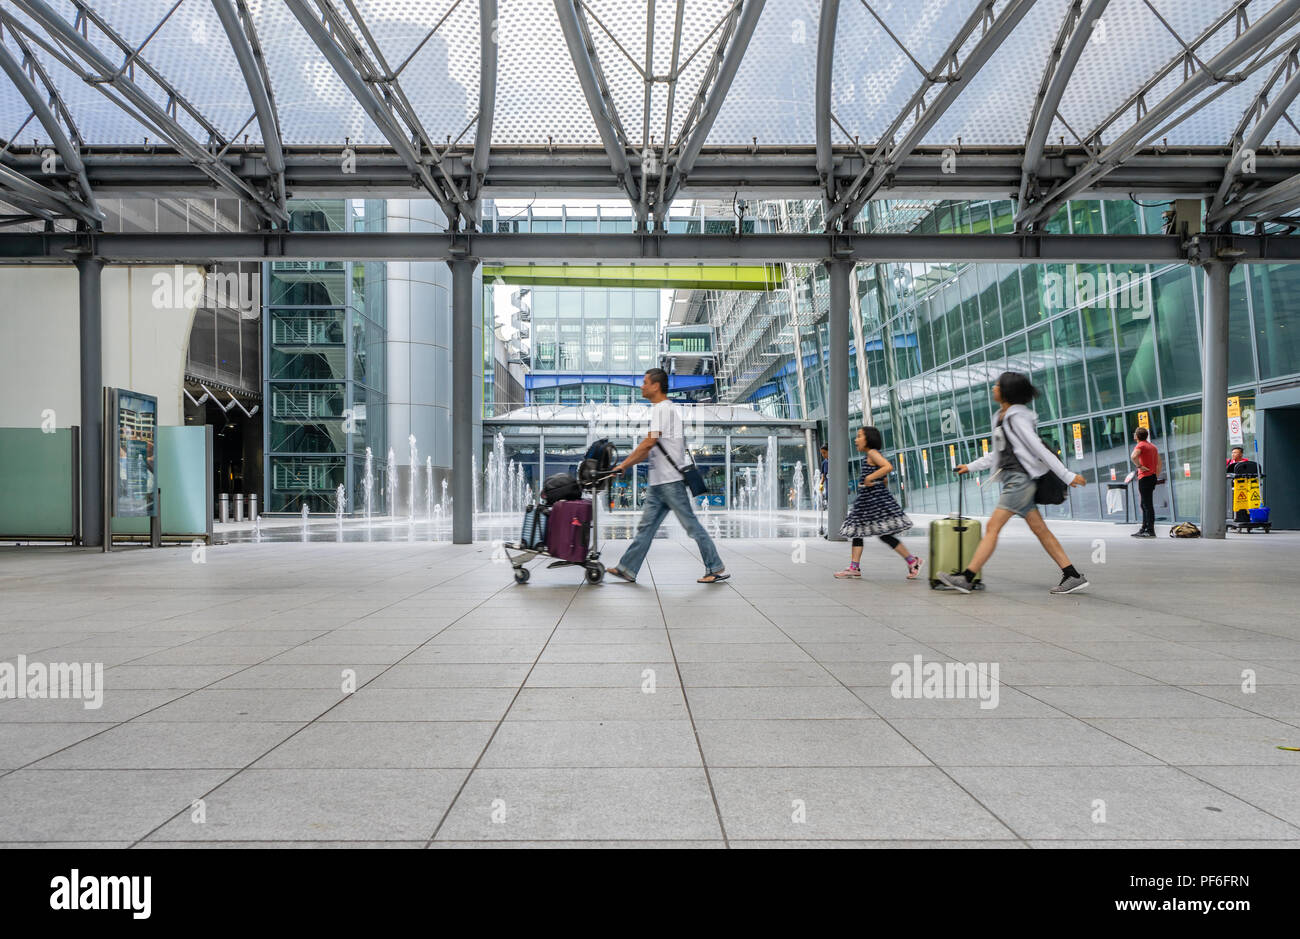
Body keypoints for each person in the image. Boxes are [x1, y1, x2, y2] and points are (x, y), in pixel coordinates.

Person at [936, 371, 1089, 596]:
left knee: (993, 527)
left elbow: (1038, 448)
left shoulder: (1017, 417)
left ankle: (966, 578)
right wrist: (970, 466)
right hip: (1014, 479)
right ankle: (1072, 575)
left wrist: (1066, 475)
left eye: (997, 385)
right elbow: (998, 454)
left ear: (1007, 391)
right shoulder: (1001, 416)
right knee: (1040, 530)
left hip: (1019, 481)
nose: (993, 388)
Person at [606, 369, 728, 584]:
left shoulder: (663, 409)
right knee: (646, 528)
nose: (641, 386)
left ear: (656, 385)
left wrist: (624, 464)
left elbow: (648, 443)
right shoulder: (662, 409)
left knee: (691, 525)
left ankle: (715, 566)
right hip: (659, 483)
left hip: (670, 482)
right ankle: (627, 568)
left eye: (645, 382)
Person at [834, 427, 922, 580]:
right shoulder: (869, 455)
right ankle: (911, 561)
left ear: (869, 439)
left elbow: (888, 467)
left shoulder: (872, 453)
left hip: (871, 501)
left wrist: (869, 479)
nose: (856, 439)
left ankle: (912, 561)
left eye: (859, 436)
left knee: (873, 533)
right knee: (863, 532)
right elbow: (885, 479)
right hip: (868, 500)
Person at [1131, 427, 1161, 537]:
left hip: (1145, 477)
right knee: (1144, 504)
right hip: (1152, 477)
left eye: (1135, 433)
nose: (1134, 434)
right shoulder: (1153, 447)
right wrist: (1155, 476)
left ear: (1137, 436)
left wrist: (1139, 466)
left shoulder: (1141, 445)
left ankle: (1150, 530)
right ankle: (1144, 528)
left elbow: (1133, 456)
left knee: (1147, 505)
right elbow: (1159, 463)